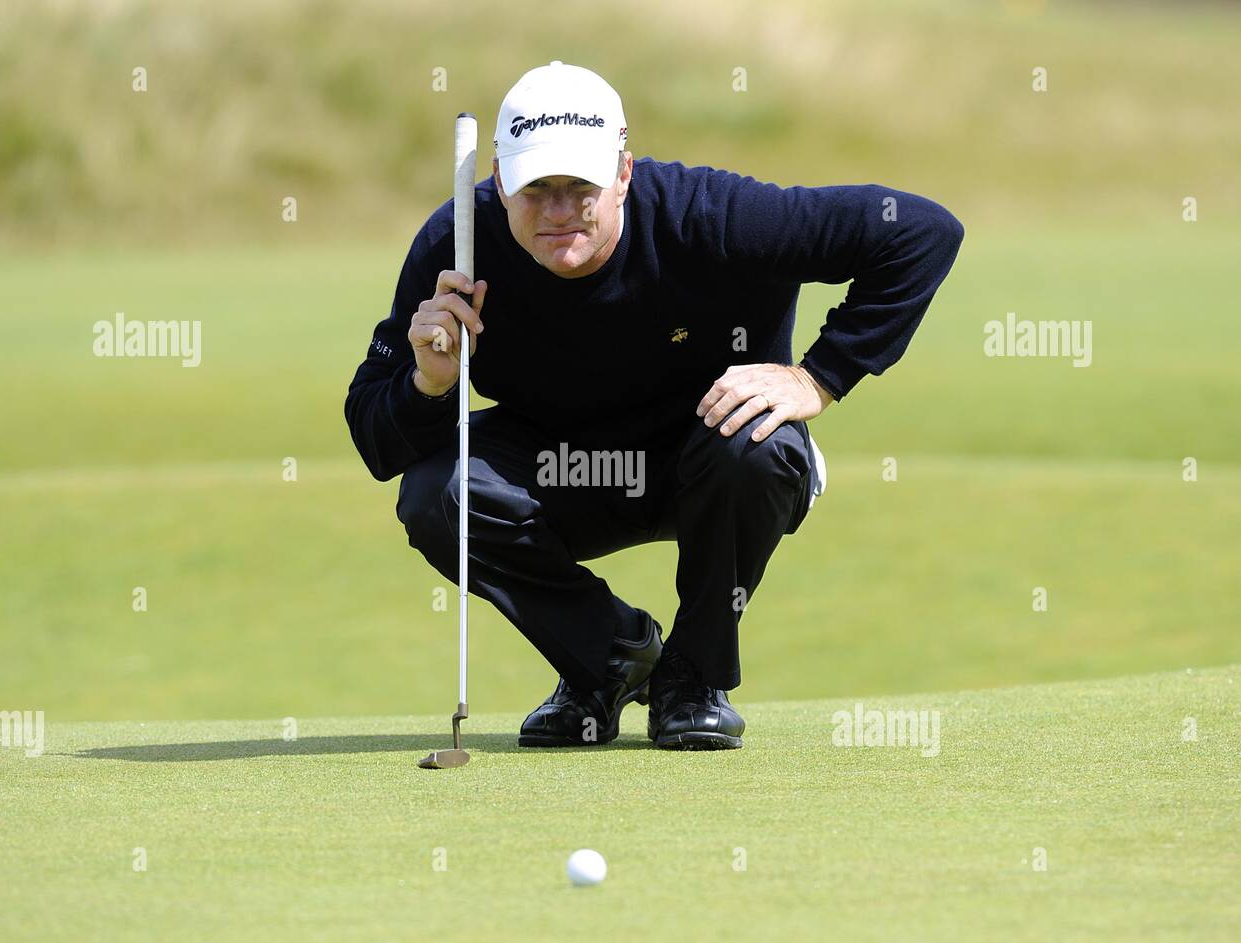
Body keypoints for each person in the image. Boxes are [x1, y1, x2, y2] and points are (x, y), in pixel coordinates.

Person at [346, 61, 963, 751]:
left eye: (579, 187)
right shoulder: (457, 244)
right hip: (561, 470)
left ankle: (692, 680)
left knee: (756, 445)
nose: (558, 211)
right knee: (438, 492)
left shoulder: (713, 216)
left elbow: (921, 230)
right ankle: (607, 658)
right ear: (496, 177)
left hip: (712, 458)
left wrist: (817, 378)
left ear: (624, 172)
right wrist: (428, 385)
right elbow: (378, 441)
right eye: (535, 189)